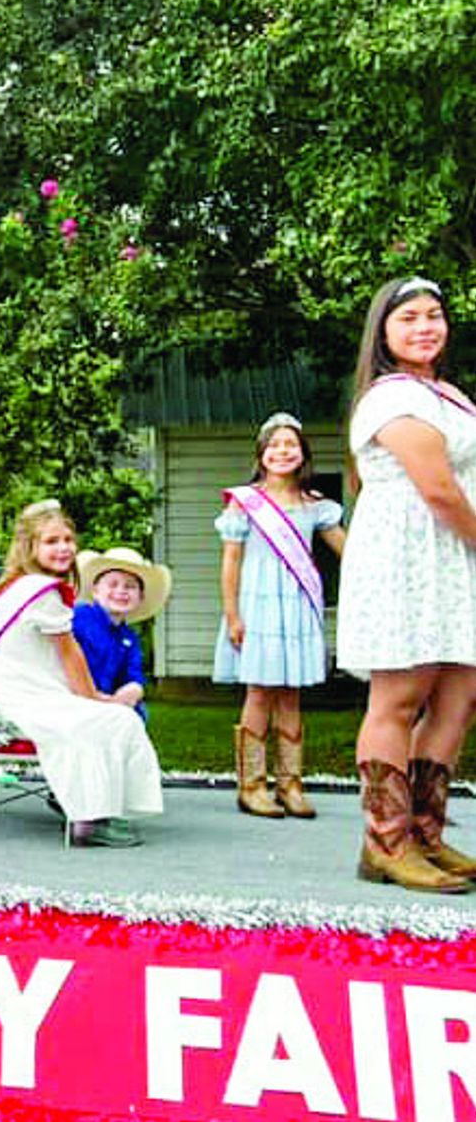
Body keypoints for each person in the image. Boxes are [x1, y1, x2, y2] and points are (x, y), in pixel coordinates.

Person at [338, 276, 476, 894]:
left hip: (451, 554)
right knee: (401, 693)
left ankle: (424, 830)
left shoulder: (444, 393)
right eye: (409, 318)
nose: (425, 327)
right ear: (385, 334)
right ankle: (385, 841)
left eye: (434, 315)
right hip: (406, 551)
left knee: (459, 691)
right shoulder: (391, 398)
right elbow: (439, 490)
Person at [0, 500, 164, 847]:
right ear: (30, 547)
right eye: (51, 541)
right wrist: (94, 699)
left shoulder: (18, 585)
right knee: (114, 719)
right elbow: (70, 654)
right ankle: (90, 818)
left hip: (17, 690)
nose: (64, 548)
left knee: (114, 717)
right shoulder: (43, 592)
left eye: (68, 539)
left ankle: (88, 804)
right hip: (26, 697)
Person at [212, 414, 346, 820]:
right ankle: (252, 786)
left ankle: (291, 784)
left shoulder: (316, 506)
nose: (283, 451)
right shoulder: (245, 502)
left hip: (297, 605)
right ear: (261, 454)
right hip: (257, 606)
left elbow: (351, 554)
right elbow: (230, 564)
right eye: (275, 445)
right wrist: (233, 614)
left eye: (291, 444)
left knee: (291, 693)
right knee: (259, 692)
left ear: (303, 453)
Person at [72, 547, 172, 721]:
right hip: (74, 697)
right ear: (95, 591)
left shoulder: (129, 638)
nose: (121, 591)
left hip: (108, 702)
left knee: (137, 713)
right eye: (113, 584)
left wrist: (134, 689)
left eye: (130, 586)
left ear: (140, 597)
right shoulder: (78, 618)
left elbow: (133, 676)